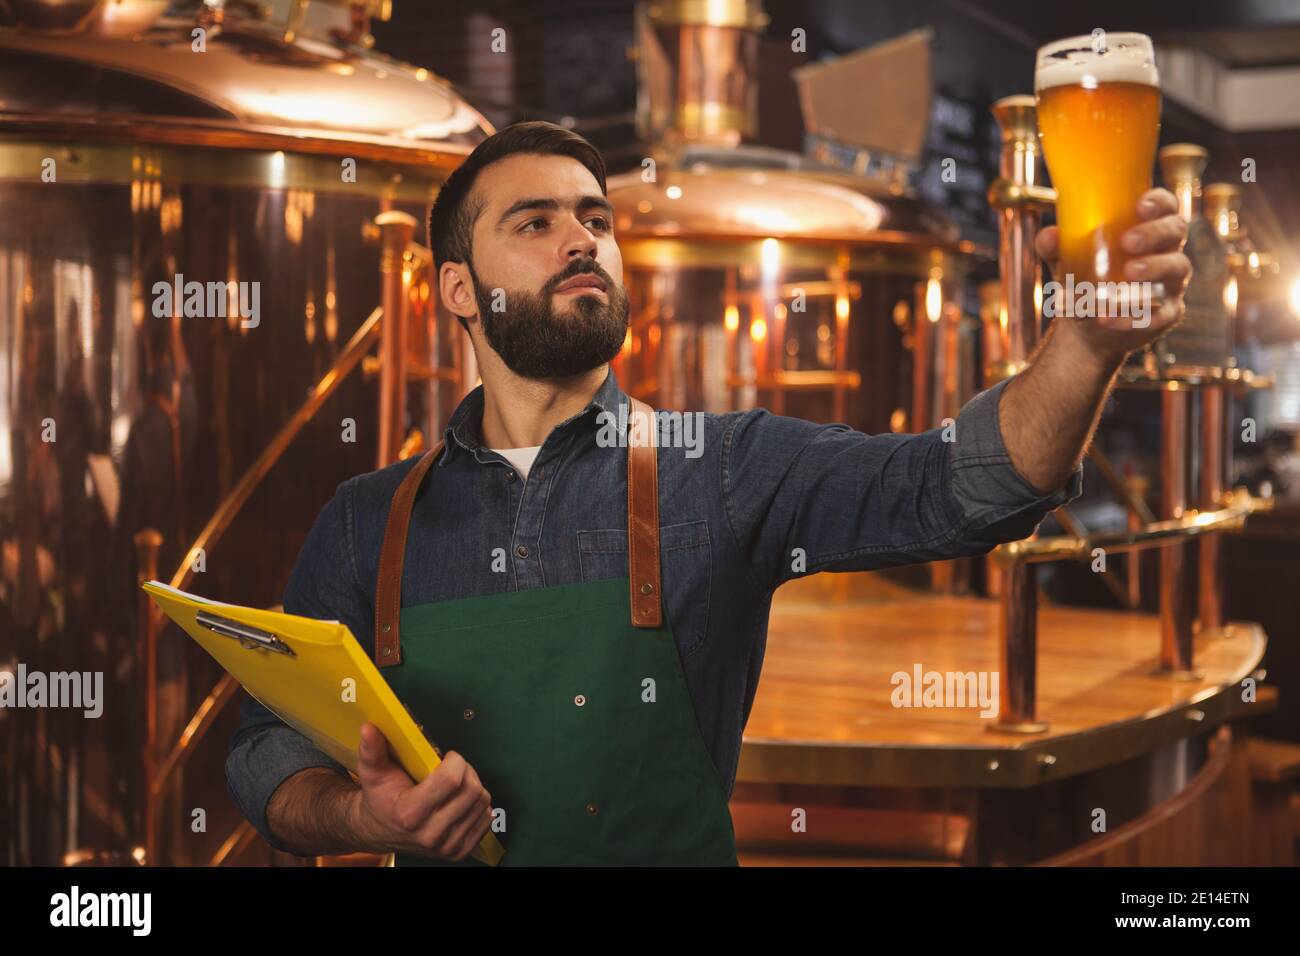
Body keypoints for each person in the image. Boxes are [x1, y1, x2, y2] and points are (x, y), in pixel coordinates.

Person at [226, 121, 1191, 866]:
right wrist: (364, 816)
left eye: (595, 219)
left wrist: (1085, 344)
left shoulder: (721, 468)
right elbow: (263, 747)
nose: (582, 240)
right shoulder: (367, 521)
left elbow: (966, 484)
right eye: (536, 223)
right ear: (459, 290)